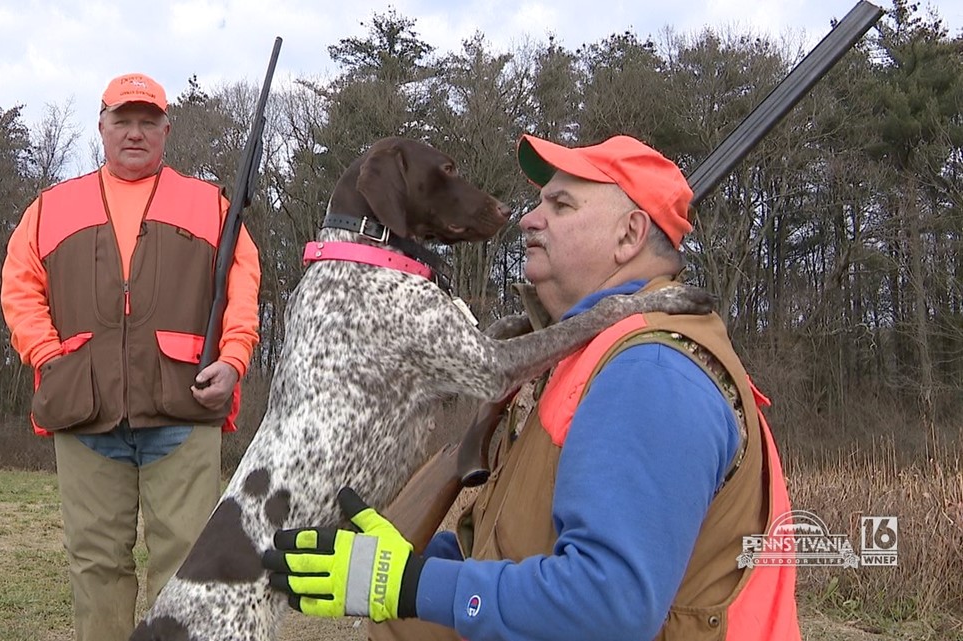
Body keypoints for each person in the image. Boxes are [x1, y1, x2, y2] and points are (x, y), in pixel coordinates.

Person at [263, 134, 800, 641]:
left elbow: (607, 604)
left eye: (561, 207)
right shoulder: (586, 358)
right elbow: (516, 548)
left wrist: (411, 584)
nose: (528, 219)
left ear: (630, 235)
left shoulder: (652, 371)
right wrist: (407, 566)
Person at [0, 72, 261, 641]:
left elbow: (244, 285)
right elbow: (19, 289)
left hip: (182, 408)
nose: (135, 133)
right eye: (123, 120)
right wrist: (49, 357)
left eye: (148, 122)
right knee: (95, 567)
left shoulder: (211, 204)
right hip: (85, 411)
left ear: (167, 130)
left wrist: (235, 356)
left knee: (187, 566)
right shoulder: (50, 207)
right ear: (101, 126)